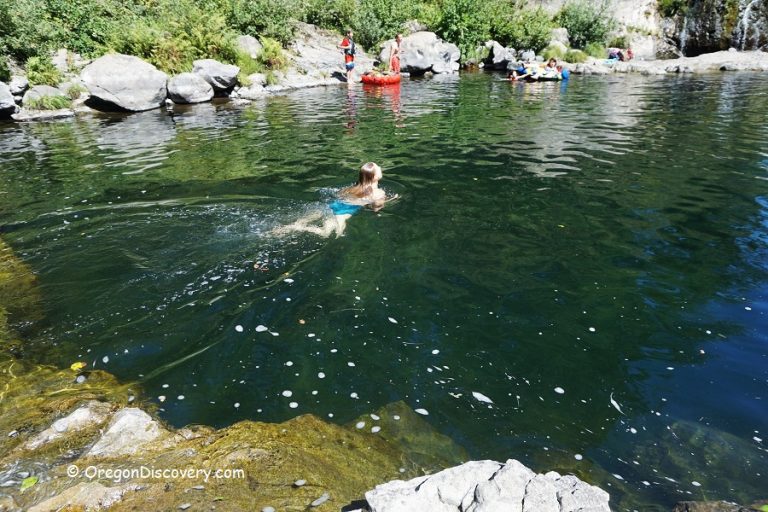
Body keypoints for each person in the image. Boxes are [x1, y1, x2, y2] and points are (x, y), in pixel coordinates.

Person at [277, 162, 398, 238]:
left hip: (329, 206)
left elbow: (338, 195)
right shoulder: (379, 193)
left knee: (301, 220)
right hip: (341, 213)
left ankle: (287, 228)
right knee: (325, 234)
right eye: (379, 168)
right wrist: (392, 199)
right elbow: (376, 209)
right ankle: (298, 228)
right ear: (375, 177)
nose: (381, 167)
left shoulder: (351, 188)